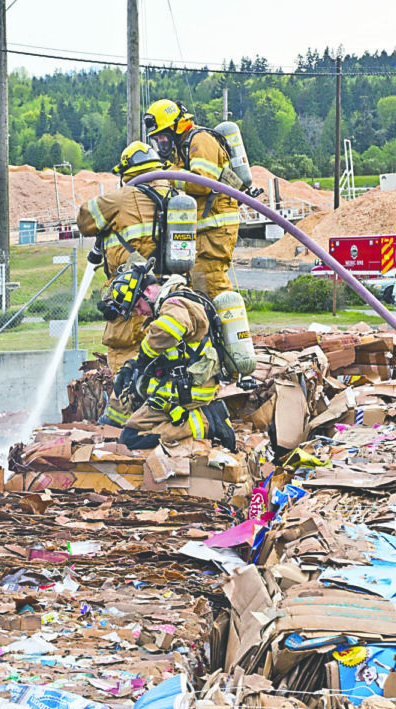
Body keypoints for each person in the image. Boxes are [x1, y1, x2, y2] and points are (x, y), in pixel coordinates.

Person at [76, 142, 176, 428]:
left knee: (125, 364)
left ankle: (126, 432)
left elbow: (85, 219)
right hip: (167, 300)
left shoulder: (120, 199)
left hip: (130, 304)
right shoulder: (175, 197)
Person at [102, 269, 236, 452]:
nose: (140, 312)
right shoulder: (173, 302)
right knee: (135, 405)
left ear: (147, 291)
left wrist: (142, 359)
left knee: (132, 438)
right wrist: (131, 366)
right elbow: (165, 352)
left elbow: (169, 328)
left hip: (189, 391)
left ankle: (209, 420)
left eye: (138, 306)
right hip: (183, 386)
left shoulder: (175, 303)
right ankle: (203, 417)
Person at [143, 98, 240, 299]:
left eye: (163, 137)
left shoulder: (200, 140)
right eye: (157, 139)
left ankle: (232, 329)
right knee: (197, 286)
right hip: (203, 228)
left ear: (176, 127)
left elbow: (202, 184)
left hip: (215, 227)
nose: (161, 143)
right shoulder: (183, 147)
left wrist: (167, 173)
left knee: (211, 285)